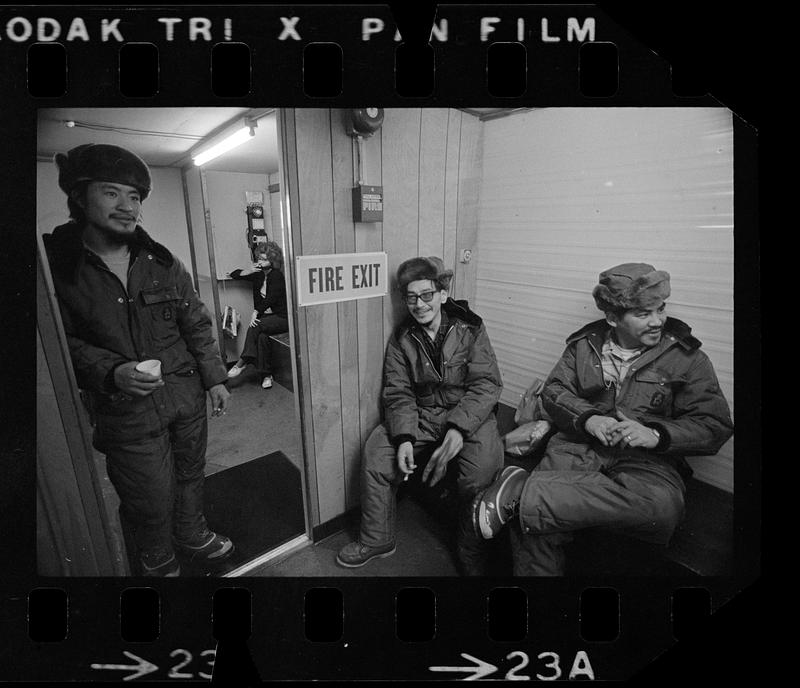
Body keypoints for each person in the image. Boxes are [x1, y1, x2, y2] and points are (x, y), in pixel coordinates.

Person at [43, 143, 234, 577]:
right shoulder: (55, 269)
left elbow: (196, 322)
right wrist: (111, 371)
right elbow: (55, 344)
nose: (127, 207)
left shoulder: (161, 261)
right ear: (78, 196)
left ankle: (190, 532)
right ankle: (156, 552)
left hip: (184, 393)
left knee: (190, 473)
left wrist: (214, 378)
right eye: (112, 193)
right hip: (124, 411)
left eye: (134, 197)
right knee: (147, 491)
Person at [471, 263, 734, 576]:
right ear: (613, 317)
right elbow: (555, 392)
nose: (658, 321)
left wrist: (656, 435)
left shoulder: (688, 357)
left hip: (646, 462)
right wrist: (589, 419)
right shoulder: (583, 346)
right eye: (643, 313)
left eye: (660, 309)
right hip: (576, 448)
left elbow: (714, 425)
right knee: (536, 528)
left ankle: (525, 489)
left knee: (662, 510)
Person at [336, 256, 504, 575]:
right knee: (376, 451)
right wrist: (403, 439)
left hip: (469, 413)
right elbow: (398, 393)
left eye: (426, 295)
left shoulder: (471, 328)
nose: (419, 304)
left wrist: (458, 430)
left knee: (482, 471)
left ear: (442, 293)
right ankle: (377, 540)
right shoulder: (402, 339)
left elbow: (487, 384)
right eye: (411, 297)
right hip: (423, 417)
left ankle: (471, 547)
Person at [225, 241, 288, 390]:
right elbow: (234, 274)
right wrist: (247, 271)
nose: (261, 261)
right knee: (261, 337)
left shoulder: (277, 275)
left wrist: (255, 312)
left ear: (272, 261)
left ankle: (242, 362)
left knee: (256, 325)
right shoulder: (258, 275)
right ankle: (266, 375)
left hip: (282, 318)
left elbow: (270, 298)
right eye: (259, 258)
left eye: (265, 259)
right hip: (267, 319)